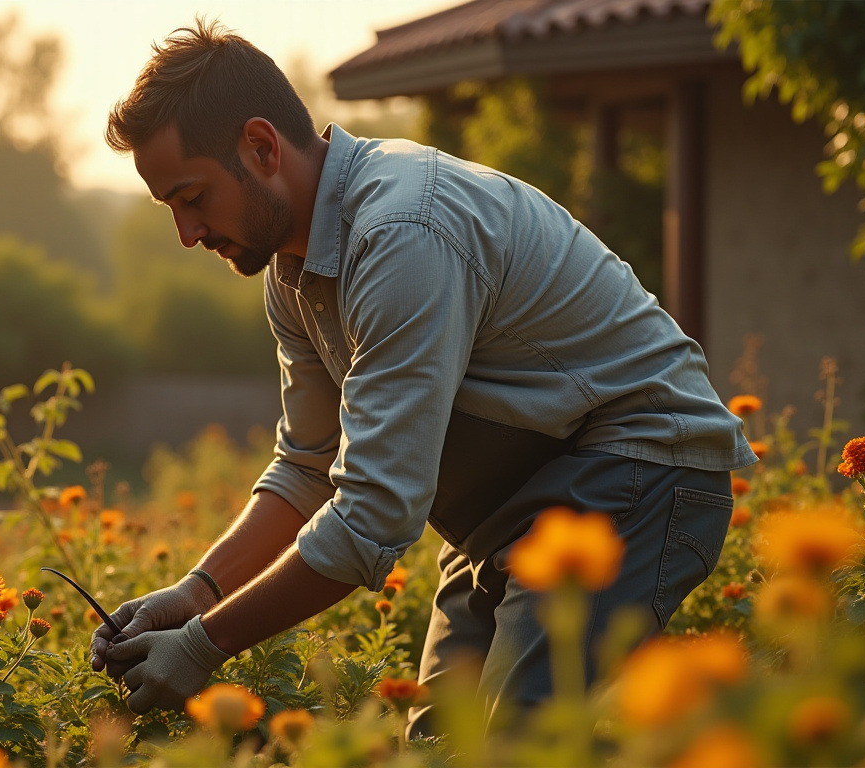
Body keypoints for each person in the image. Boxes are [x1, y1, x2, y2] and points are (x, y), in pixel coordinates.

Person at [89, 20, 755, 734]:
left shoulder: (403, 232)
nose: (187, 234)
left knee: (509, 739)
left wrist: (203, 645)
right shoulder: (293, 274)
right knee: (440, 739)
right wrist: (197, 593)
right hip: (519, 501)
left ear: (260, 147)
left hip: (639, 462)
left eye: (192, 198)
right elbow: (310, 465)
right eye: (171, 210)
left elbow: (373, 512)